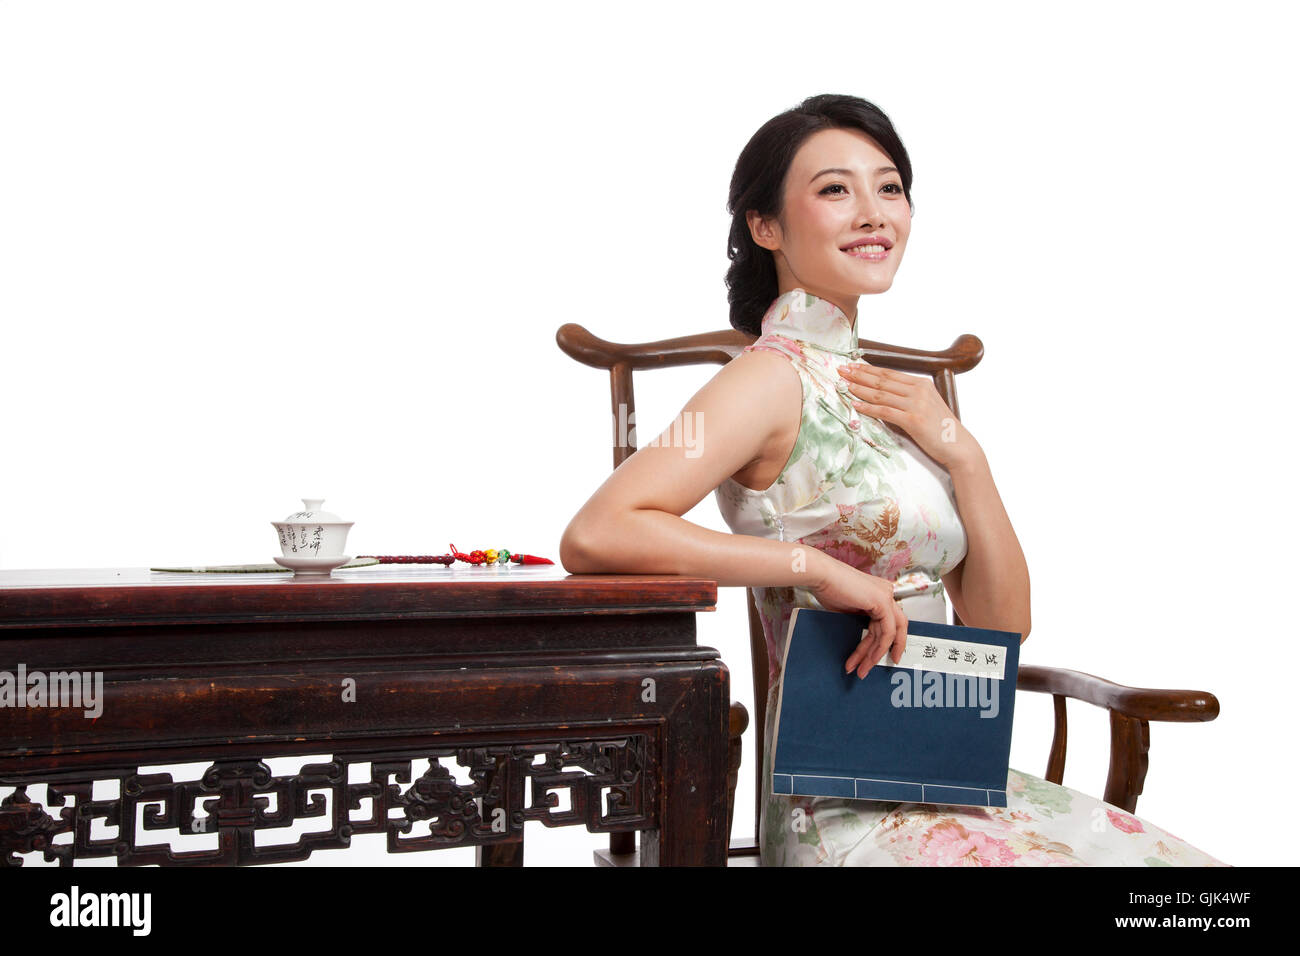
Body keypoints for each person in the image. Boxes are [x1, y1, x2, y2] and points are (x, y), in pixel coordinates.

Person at [560, 93, 1224, 866]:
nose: (874, 212)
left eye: (890, 187)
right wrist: (817, 568)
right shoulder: (768, 380)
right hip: (842, 793)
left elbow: (1002, 632)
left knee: (1200, 895)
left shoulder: (889, 393)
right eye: (835, 189)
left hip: (950, 769)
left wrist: (965, 455)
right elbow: (600, 531)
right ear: (765, 226)